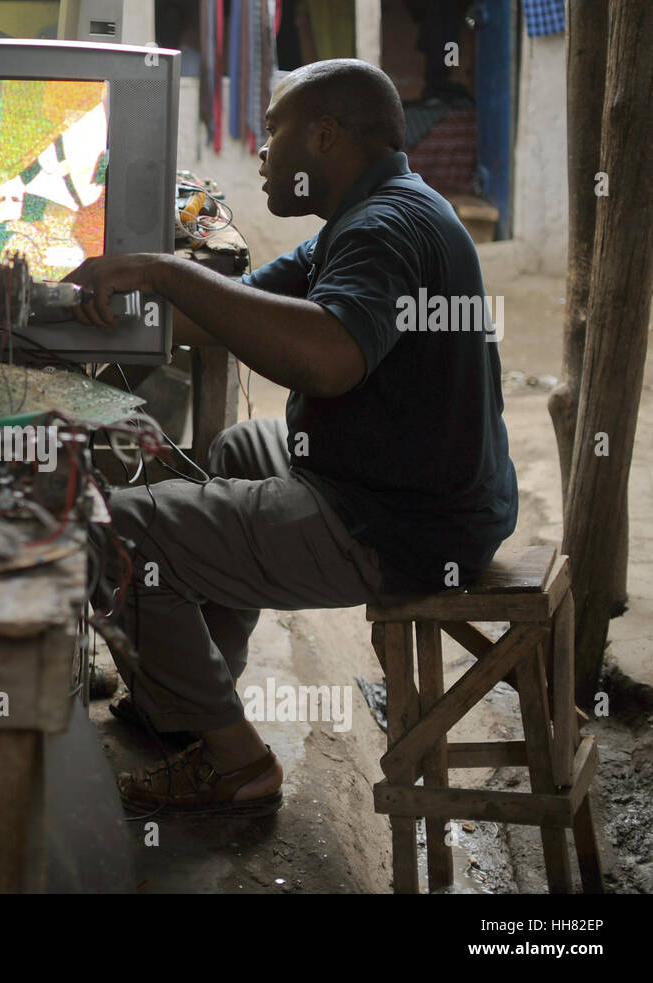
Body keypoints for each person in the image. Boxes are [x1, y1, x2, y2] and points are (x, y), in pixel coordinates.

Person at [65, 59, 517, 816]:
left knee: (108, 527)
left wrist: (166, 274)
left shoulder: (383, 228)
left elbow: (330, 359)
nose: (264, 151)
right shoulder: (366, 216)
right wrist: (113, 296)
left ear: (327, 136)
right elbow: (239, 309)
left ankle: (236, 761)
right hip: (423, 490)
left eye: (273, 132)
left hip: (397, 526)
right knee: (243, 450)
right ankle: (187, 702)